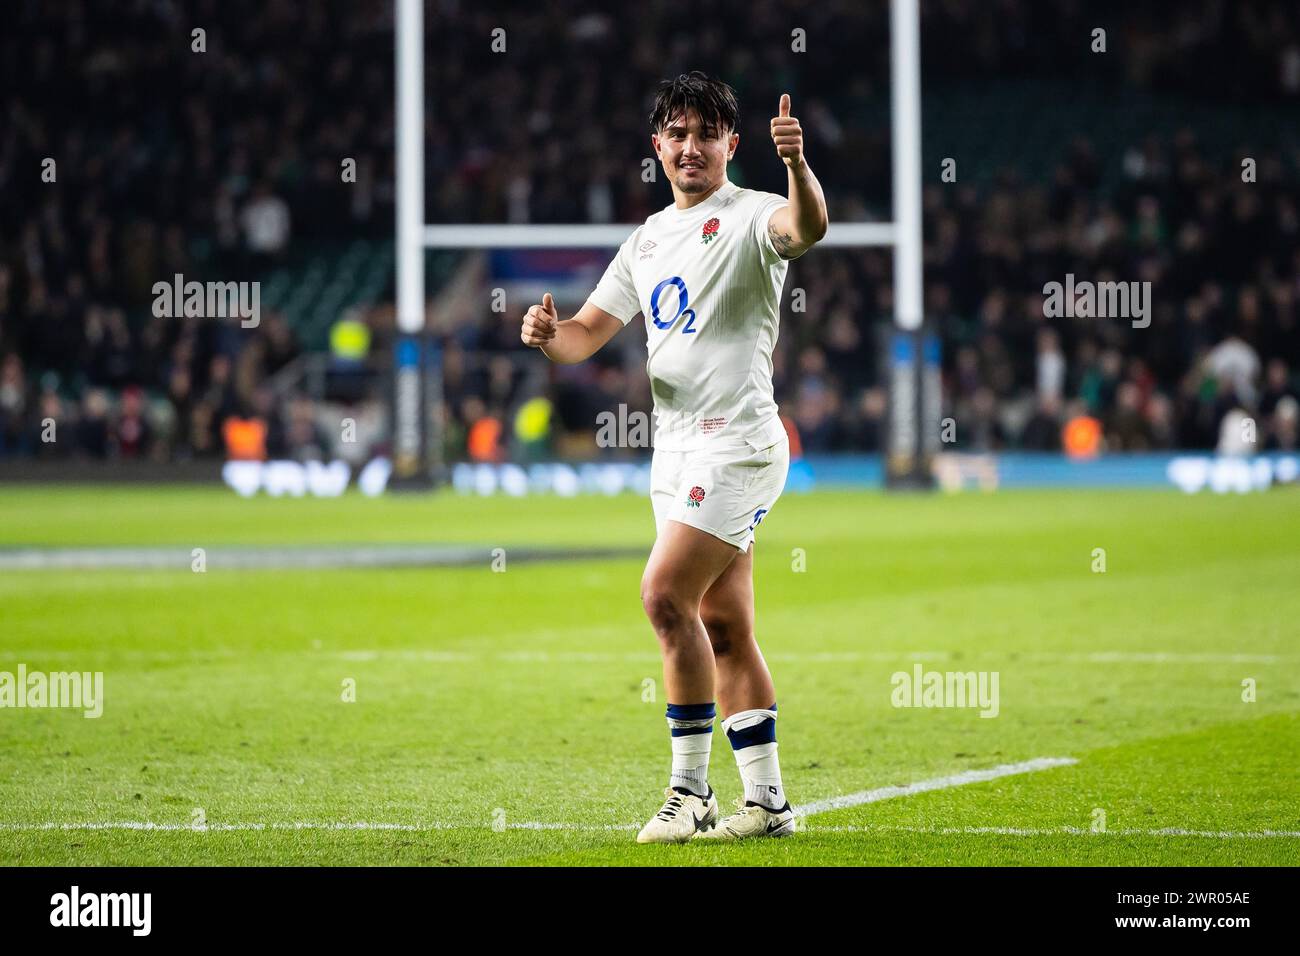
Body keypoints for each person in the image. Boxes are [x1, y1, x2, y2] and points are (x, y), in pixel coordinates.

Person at [519, 72, 828, 842]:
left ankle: (690, 793)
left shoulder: (755, 214)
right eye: (677, 134)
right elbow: (587, 331)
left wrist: (797, 165)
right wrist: (549, 336)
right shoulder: (649, 237)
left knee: (663, 596)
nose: (691, 148)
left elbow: (808, 229)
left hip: (741, 446)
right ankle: (769, 803)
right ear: (657, 146)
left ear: (732, 143)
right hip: (676, 453)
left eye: (707, 133)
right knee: (723, 623)